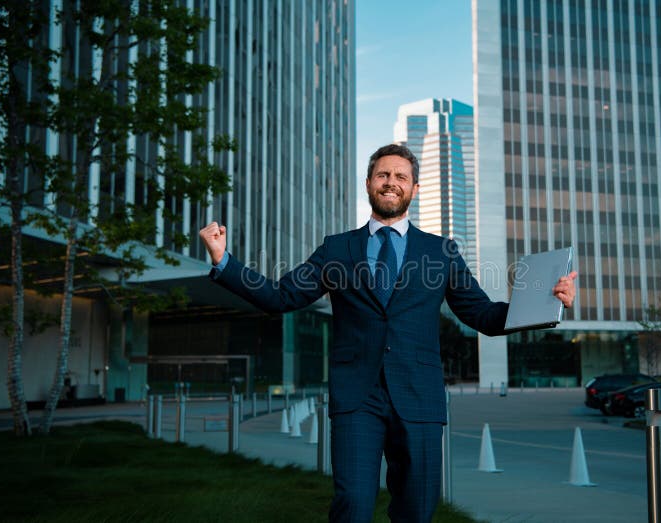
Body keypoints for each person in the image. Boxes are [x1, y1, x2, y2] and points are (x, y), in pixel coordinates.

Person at [199, 144, 577, 523]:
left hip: (419, 397)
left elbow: (481, 313)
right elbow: (280, 296)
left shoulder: (440, 251)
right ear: (368, 184)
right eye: (383, 175)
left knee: (417, 509)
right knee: (353, 505)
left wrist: (547, 302)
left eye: (400, 176)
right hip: (357, 398)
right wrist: (224, 262)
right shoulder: (337, 248)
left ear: (414, 189)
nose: (391, 182)